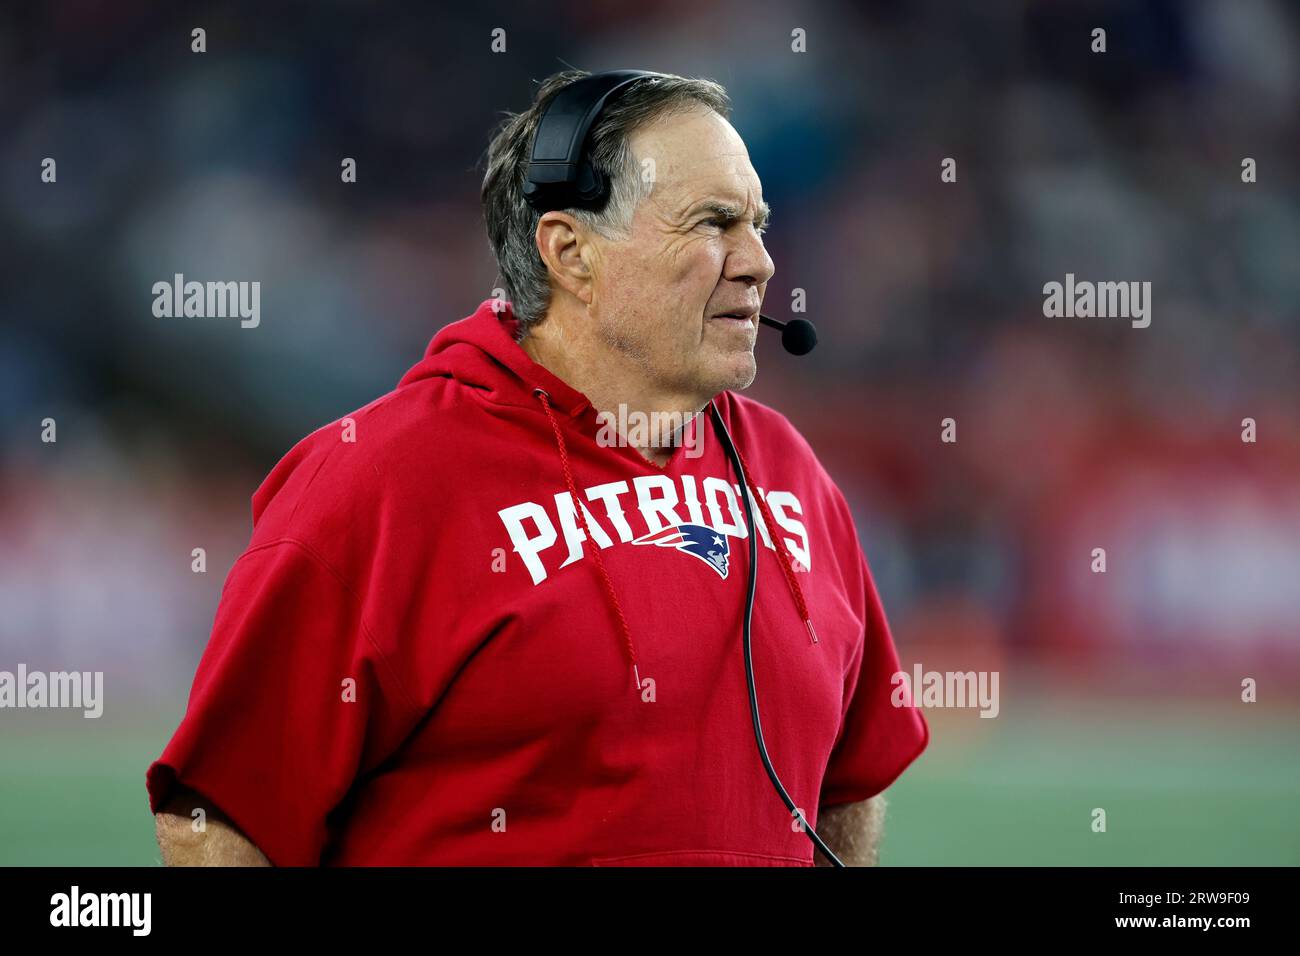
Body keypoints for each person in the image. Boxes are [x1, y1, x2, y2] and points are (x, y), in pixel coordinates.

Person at [149, 68, 928, 866]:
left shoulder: (788, 472)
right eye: (714, 224)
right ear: (570, 251)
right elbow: (218, 815)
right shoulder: (376, 480)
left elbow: (849, 780)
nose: (760, 262)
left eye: (758, 223)